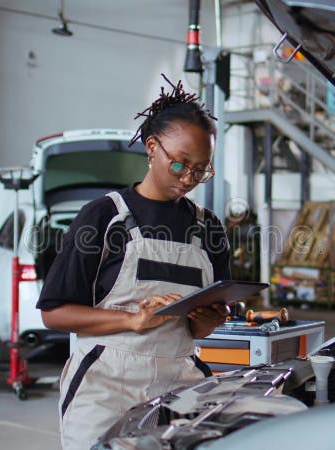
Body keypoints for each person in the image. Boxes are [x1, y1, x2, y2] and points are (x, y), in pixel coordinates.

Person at [37, 75, 232, 450]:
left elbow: (202, 326)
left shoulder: (208, 227)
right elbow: (55, 313)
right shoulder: (102, 218)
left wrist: (209, 320)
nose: (189, 178)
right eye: (180, 164)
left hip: (181, 385)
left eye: (201, 169)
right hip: (106, 386)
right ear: (152, 146)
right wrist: (133, 320)